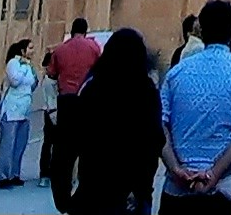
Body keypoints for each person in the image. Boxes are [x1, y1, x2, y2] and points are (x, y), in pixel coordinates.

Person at [163, 2, 231, 215]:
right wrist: (214, 173)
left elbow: (160, 124)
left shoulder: (176, 73)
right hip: (224, 187)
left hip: (178, 187)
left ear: (200, 29)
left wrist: (176, 169)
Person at [62, 26, 166, 215]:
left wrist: (62, 193)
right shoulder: (146, 92)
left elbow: (70, 142)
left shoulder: (92, 90)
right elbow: (153, 143)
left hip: (94, 188)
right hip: (130, 194)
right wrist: (141, 188)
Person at [52, 21, 106, 213]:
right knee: (86, 148)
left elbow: (51, 72)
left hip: (65, 101)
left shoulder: (60, 49)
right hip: (86, 100)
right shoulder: (93, 47)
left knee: (64, 151)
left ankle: (63, 196)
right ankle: (83, 192)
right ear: (85, 31)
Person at [0, 40, 48, 189]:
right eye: (30, 48)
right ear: (22, 50)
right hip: (11, 109)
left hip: (24, 110)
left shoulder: (29, 66)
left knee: (20, 144)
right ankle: (2, 176)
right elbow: (15, 81)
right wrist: (24, 68)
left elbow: (33, 84)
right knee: (8, 145)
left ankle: (14, 173)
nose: (33, 51)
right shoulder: (13, 63)